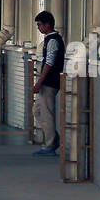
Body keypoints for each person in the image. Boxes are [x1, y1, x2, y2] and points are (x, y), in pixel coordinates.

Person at [31, 11, 65, 156]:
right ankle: (53, 138)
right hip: (47, 82)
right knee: (37, 111)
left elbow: (49, 63)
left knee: (47, 113)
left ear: (47, 24)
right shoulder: (49, 40)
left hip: (49, 83)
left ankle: (50, 144)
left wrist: (39, 82)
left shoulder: (53, 41)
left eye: (39, 25)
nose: (38, 27)